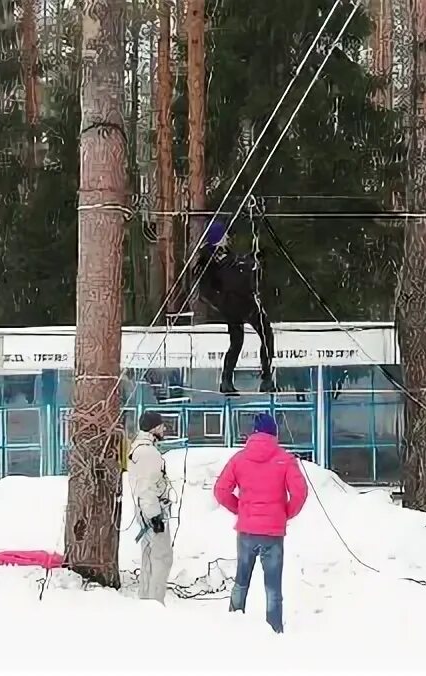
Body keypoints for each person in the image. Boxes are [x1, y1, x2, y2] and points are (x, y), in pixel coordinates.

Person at [213, 413, 308, 634]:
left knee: (241, 580)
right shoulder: (285, 459)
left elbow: (221, 490)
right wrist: (284, 514)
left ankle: (234, 621)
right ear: (274, 433)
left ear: (253, 433)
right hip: (273, 533)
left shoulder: (239, 459)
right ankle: (274, 629)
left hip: (246, 530)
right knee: (273, 585)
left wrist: (240, 509)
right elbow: (300, 492)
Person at [194, 219, 275, 395]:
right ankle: (264, 378)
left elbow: (236, 272)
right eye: (224, 235)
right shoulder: (210, 258)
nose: (227, 238)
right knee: (264, 334)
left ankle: (229, 380)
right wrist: (221, 301)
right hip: (237, 303)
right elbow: (213, 284)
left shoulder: (222, 254)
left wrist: (251, 265)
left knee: (240, 341)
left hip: (239, 301)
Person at [127, 410, 174, 604]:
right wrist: (155, 516)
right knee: (162, 557)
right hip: (152, 510)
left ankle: (146, 598)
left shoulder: (140, 449)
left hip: (145, 509)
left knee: (148, 555)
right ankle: (155, 600)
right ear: (154, 428)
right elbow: (146, 487)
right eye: (161, 426)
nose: (164, 429)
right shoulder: (148, 453)